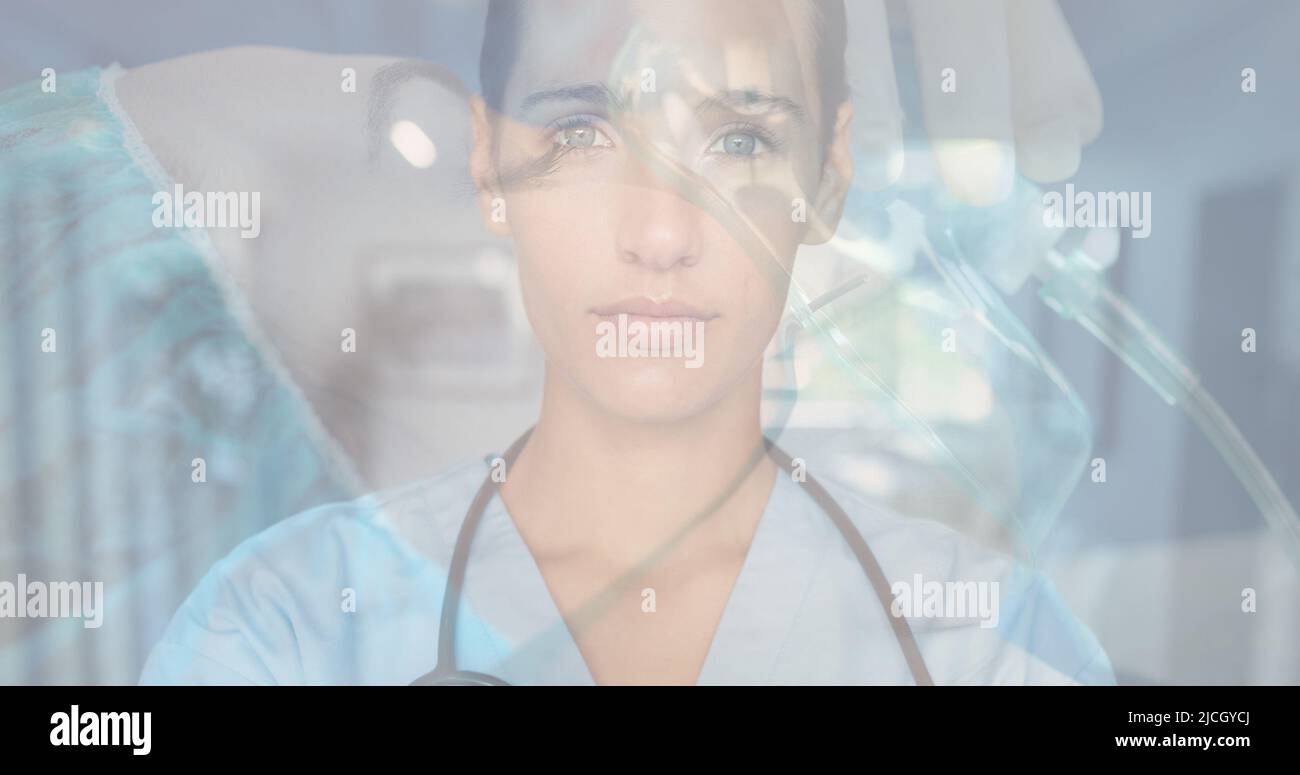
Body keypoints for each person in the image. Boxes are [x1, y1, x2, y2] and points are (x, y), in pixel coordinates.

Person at [127, 0, 1114, 685]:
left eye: (738, 140)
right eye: (582, 134)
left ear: (829, 177)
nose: (659, 233)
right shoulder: (280, 629)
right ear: (487, 163)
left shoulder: (993, 643)